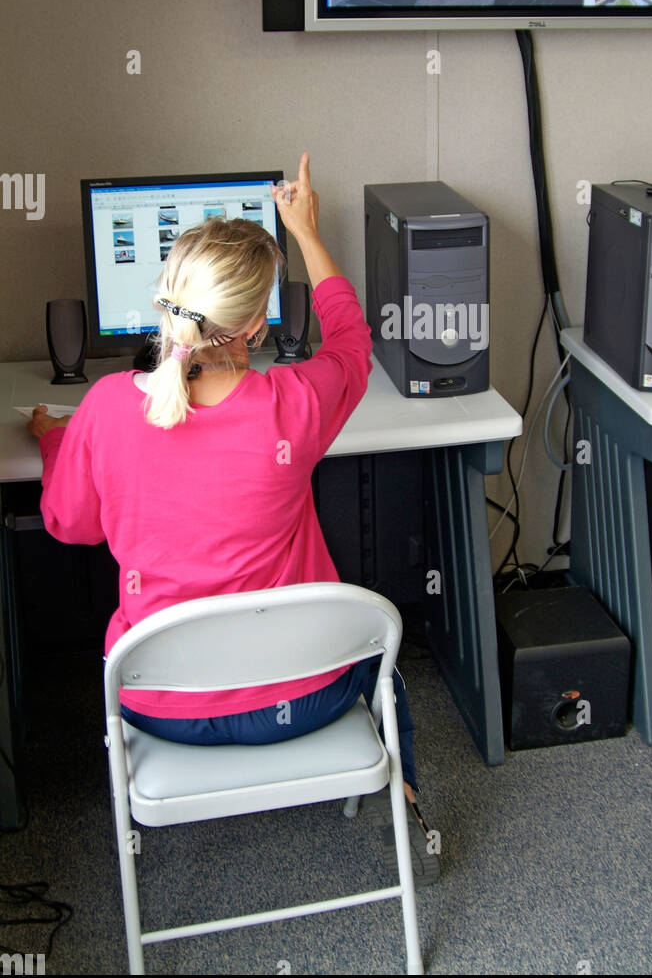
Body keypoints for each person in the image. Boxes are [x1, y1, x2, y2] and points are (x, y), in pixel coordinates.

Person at [29, 153, 435, 873]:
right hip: (306, 695)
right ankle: (403, 803)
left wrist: (57, 440)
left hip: (159, 705)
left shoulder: (103, 412)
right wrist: (305, 229)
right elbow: (352, 342)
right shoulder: (295, 404)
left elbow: (70, 525)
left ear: (165, 298)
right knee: (384, 662)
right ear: (253, 325)